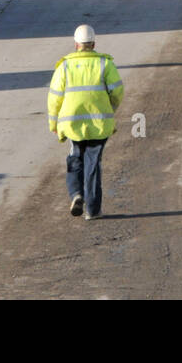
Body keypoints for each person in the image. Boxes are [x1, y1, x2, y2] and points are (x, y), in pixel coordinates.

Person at [47, 24, 124, 220]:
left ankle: (76, 194)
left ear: (76, 45)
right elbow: (117, 92)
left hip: (72, 124)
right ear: (93, 44)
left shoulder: (64, 66)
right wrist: (109, 109)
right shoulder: (105, 64)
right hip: (99, 123)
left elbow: (54, 98)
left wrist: (53, 123)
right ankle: (93, 209)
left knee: (75, 157)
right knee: (93, 163)